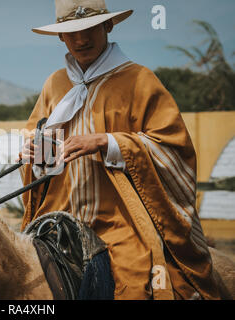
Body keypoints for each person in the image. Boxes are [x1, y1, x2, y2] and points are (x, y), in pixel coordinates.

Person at [19, 0, 222, 299]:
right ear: (60, 37)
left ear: (108, 26)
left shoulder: (139, 80)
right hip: (57, 221)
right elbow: (34, 136)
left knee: (135, 288)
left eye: (90, 29)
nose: (81, 39)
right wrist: (32, 156)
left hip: (121, 227)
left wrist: (108, 142)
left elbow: (173, 149)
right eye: (71, 33)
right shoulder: (55, 84)